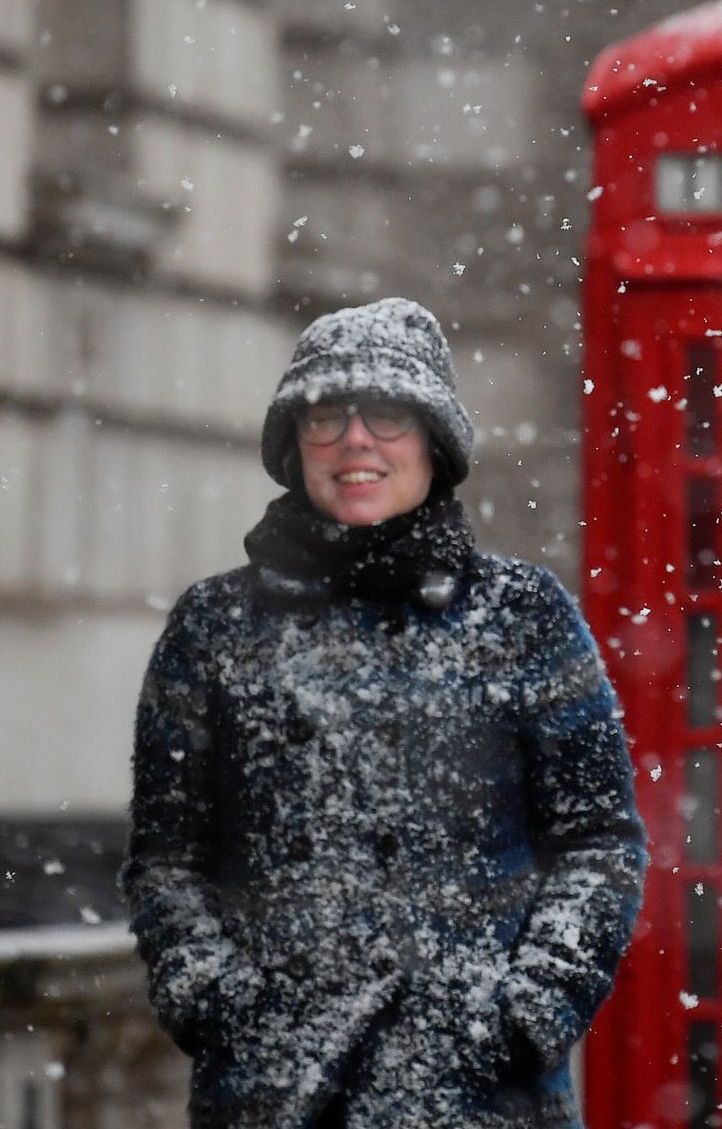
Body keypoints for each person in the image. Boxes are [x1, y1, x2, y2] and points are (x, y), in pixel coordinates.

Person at [121, 298, 648, 1129]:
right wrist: (222, 1009)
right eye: (325, 417)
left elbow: (599, 843)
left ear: (435, 442)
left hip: (481, 1098)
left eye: (388, 415)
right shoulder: (214, 628)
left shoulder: (524, 616)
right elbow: (166, 860)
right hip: (276, 1097)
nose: (355, 441)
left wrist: (527, 1013)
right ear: (295, 445)